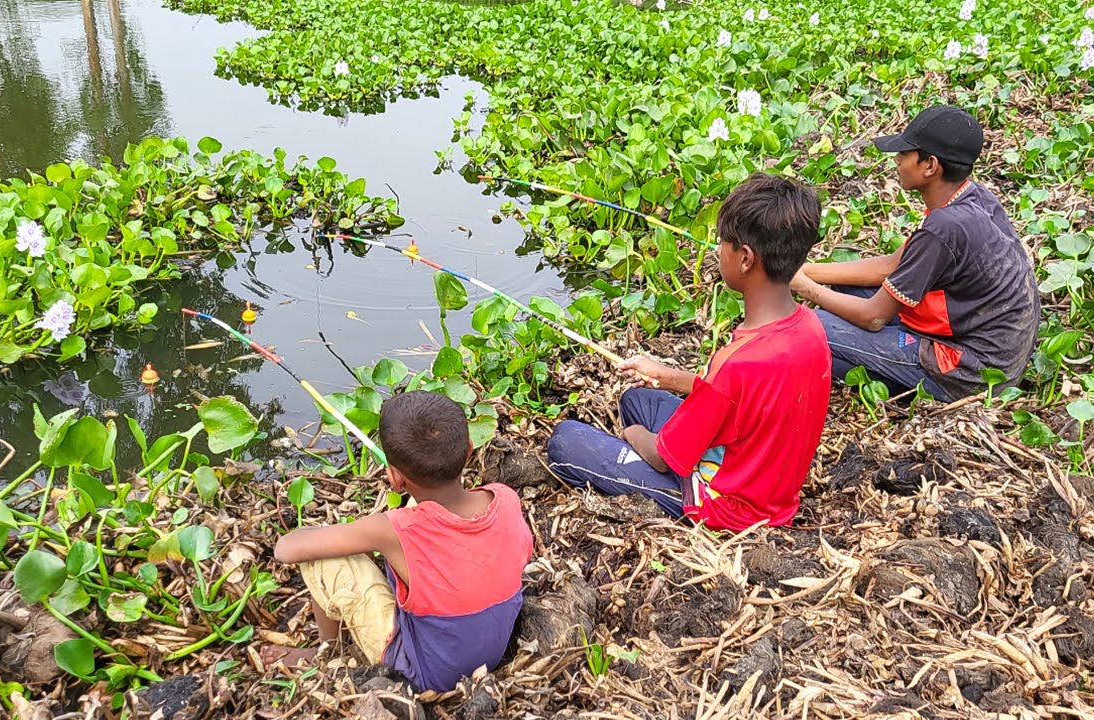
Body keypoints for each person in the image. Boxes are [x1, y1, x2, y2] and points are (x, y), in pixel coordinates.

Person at [546, 173, 831, 532]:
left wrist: (632, 437)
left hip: (727, 509)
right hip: (768, 481)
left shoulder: (738, 363)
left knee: (566, 441)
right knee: (639, 398)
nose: (717, 251)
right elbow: (741, 400)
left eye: (723, 243)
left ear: (744, 259)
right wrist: (669, 377)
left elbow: (666, 459)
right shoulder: (810, 326)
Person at [262, 390, 533, 692]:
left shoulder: (393, 530)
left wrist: (318, 532)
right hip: (488, 655)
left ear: (395, 478)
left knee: (323, 559)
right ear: (469, 449)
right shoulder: (505, 499)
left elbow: (286, 550)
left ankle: (328, 652)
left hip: (426, 675)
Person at [790, 105, 1040, 401]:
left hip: (973, 372)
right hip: (981, 338)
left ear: (930, 166)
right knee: (846, 290)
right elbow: (893, 265)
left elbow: (873, 318)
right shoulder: (969, 197)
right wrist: (802, 270)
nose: (896, 160)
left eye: (904, 154)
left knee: (809, 325)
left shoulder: (944, 227)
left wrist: (802, 287)